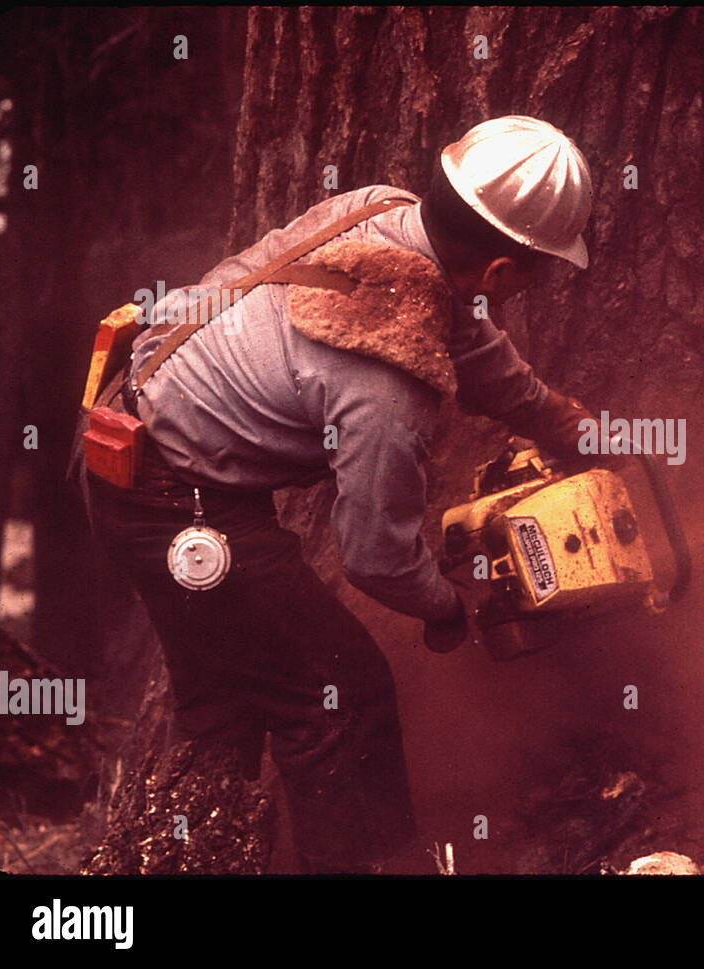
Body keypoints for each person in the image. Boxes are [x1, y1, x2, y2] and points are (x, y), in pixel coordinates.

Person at [77, 116, 603, 873]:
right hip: (176, 506)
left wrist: (564, 424)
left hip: (132, 442)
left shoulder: (378, 213)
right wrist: (450, 604)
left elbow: (467, 342)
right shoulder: (388, 389)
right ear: (497, 273)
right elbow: (376, 556)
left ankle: (177, 863)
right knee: (339, 699)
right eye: (539, 270)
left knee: (224, 704)